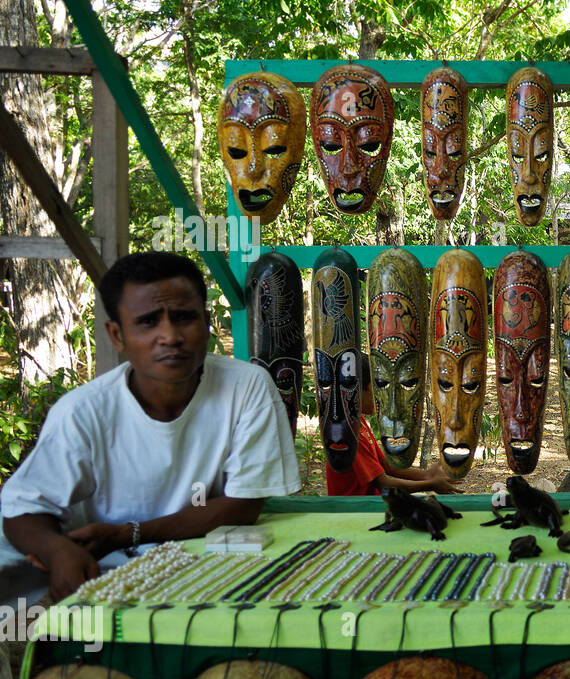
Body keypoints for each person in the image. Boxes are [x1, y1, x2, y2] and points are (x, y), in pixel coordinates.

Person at [1, 252, 301, 602]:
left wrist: (130, 533)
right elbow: (21, 507)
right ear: (117, 335)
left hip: (206, 559)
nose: (170, 336)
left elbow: (243, 504)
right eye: (148, 322)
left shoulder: (247, 386)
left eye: (184, 317)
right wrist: (56, 550)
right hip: (104, 565)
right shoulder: (83, 411)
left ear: (206, 322)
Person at [325, 353, 459, 496]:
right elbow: (383, 483)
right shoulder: (347, 432)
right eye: (374, 390)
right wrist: (430, 484)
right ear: (357, 391)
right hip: (357, 511)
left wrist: (426, 475)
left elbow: (385, 465)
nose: (381, 398)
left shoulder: (358, 421)